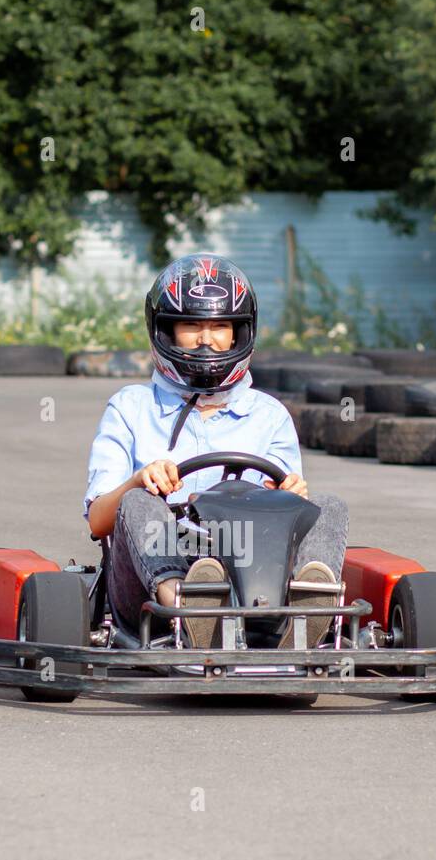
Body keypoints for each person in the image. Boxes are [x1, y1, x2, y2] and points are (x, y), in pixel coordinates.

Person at [84, 253, 348, 647]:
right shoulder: (131, 407)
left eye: (219, 326)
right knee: (137, 501)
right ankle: (187, 607)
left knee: (327, 505)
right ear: (166, 331)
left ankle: (308, 616)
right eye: (192, 325)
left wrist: (287, 498)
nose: (206, 339)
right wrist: (138, 482)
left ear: (239, 332)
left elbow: (287, 505)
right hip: (150, 583)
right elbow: (97, 521)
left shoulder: (268, 415)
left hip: (252, 571)